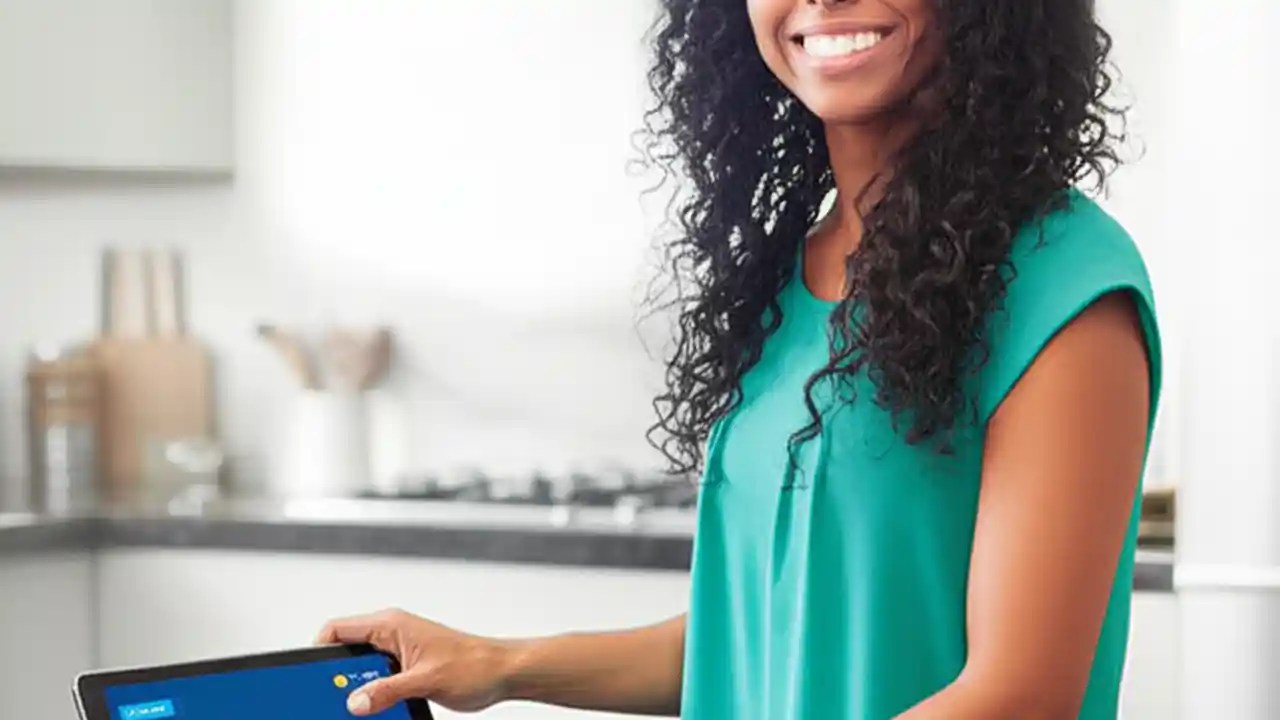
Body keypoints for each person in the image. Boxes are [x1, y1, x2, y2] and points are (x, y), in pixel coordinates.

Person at [318, 0, 1160, 717]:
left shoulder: (1063, 284)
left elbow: (1021, 695)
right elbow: (760, 632)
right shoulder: (790, 274)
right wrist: (497, 664)